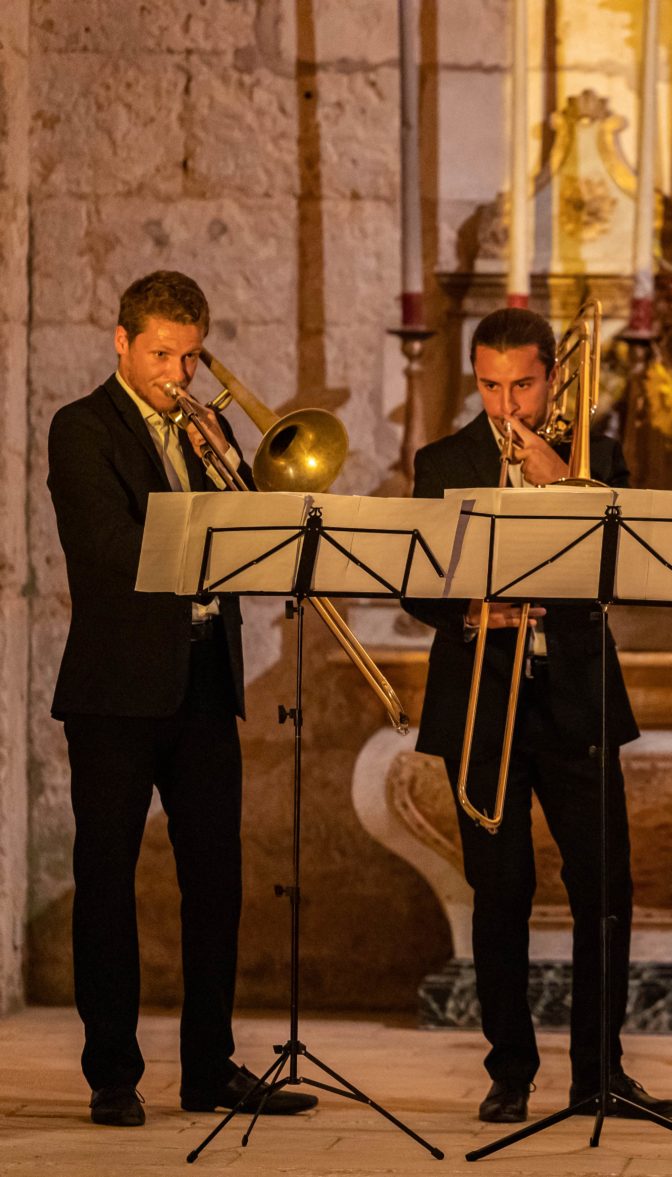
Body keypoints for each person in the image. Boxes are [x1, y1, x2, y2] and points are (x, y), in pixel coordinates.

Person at [46, 271, 316, 1126]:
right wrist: (204, 504)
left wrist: (237, 483)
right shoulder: (82, 428)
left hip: (202, 680)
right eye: (162, 353)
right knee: (107, 880)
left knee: (216, 880)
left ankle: (209, 1066)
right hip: (118, 688)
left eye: (191, 356)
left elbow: (261, 543)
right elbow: (109, 548)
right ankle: (113, 1074)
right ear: (122, 343)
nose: (179, 373)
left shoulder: (213, 432)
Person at [403, 307, 672, 1125]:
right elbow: (417, 583)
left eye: (521, 385)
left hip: (575, 696)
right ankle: (510, 1070)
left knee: (604, 887)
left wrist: (561, 479)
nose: (506, 406)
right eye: (490, 386)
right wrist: (467, 611)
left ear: (552, 378)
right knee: (500, 890)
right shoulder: (442, 460)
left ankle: (600, 1071)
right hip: (482, 697)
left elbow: (623, 563)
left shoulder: (593, 456)